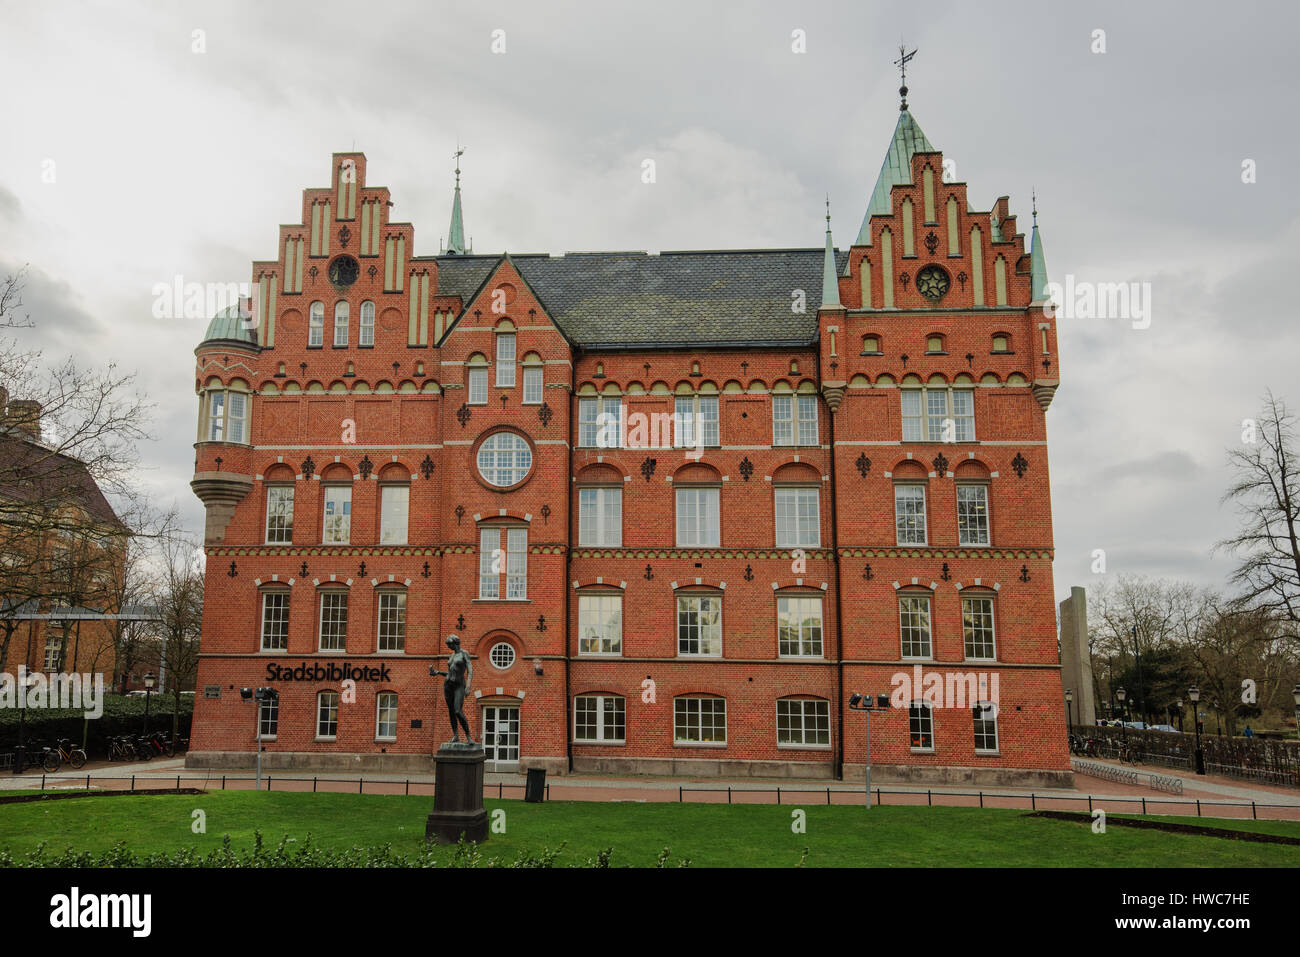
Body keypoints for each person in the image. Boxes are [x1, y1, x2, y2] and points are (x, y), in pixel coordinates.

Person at [430, 634, 475, 743]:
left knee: (458, 710)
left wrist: (468, 686)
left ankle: (468, 736)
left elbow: (470, 670)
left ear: (455, 643)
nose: (448, 646)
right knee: (451, 711)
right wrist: (438, 672)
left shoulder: (464, 654)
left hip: (459, 685)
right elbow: (450, 673)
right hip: (448, 685)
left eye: (449, 644)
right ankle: (455, 736)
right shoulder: (451, 656)